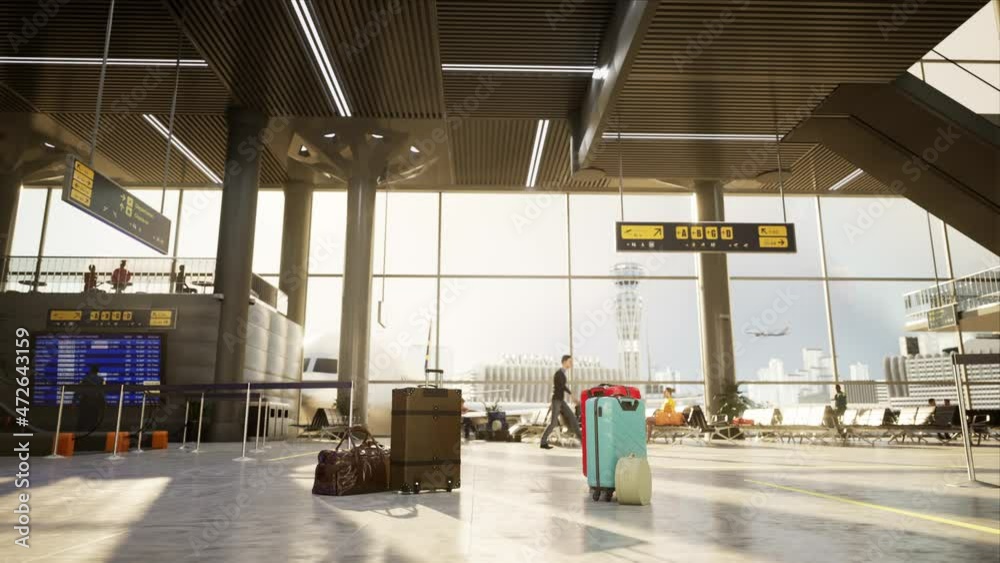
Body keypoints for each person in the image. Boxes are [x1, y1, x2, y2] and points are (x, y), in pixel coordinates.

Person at [540, 355, 582, 450]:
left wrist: (571, 395)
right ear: (564, 362)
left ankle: (583, 442)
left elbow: (562, 387)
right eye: (569, 361)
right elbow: (561, 386)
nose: (571, 363)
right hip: (557, 401)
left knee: (572, 418)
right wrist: (571, 395)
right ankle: (543, 442)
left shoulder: (562, 373)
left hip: (560, 401)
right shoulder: (559, 374)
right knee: (554, 423)